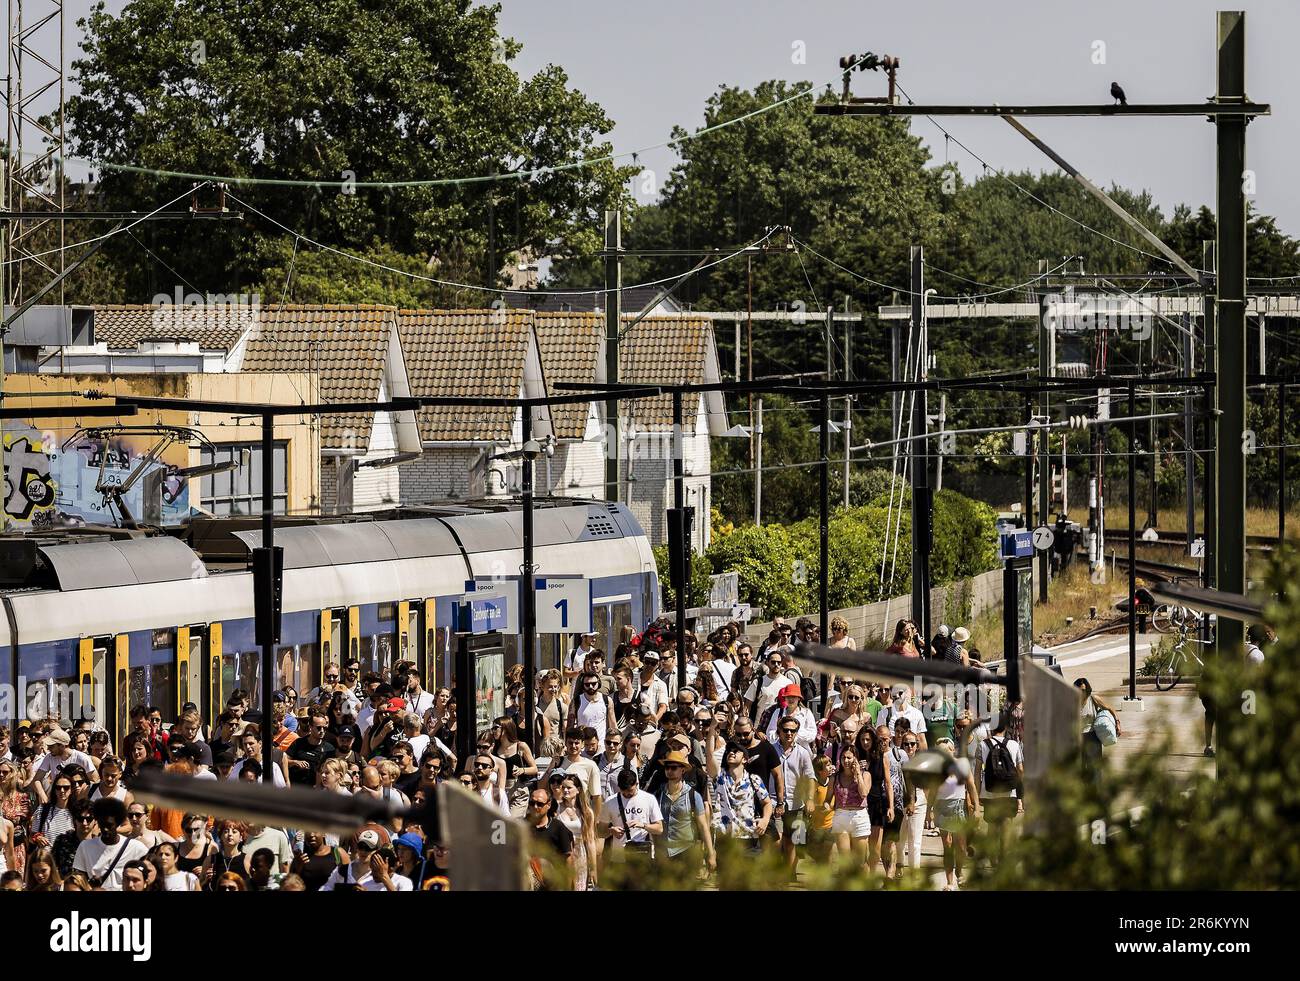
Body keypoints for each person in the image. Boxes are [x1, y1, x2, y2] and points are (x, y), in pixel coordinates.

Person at [706, 724, 772, 853]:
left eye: (736, 751)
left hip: (747, 836)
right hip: (724, 835)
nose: (731, 753)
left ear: (745, 760)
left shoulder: (754, 779)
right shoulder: (719, 777)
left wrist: (765, 820)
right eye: (729, 751)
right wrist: (713, 726)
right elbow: (709, 755)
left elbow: (767, 802)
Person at [652, 750, 714, 876]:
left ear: (683, 770)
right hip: (663, 853)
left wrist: (711, 854)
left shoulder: (693, 795)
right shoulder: (658, 794)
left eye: (674, 767)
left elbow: (703, 827)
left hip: (686, 852)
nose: (669, 770)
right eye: (667, 767)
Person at [933, 737, 980, 891]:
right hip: (941, 806)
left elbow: (972, 786)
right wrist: (928, 811)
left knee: (960, 845)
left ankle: (959, 872)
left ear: (952, 750)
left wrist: (977, 808)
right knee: (947, 846)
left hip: (958, 805)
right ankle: (950, 882)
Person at [977, 713, 1024, 867]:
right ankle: (1004, 855)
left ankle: (992, 856)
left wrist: (977, 793)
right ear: (1005, 727)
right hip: (1009, 791)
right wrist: (1020, 793)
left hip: (989, 792)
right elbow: (1020, 770)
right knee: (1007, 822)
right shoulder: (1014, 744)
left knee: (991, 824)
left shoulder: (982, 745)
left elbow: (977, 771)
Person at [72, 797, 147, 891]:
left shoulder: (137, 848)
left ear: (118, 824)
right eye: (102, 824)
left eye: (109, 825)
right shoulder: (85, 847)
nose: (105, 829)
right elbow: (78, 879)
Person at [773, 715, 815, 878]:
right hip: (776, 801)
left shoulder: (803, 753)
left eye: (793, 731)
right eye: (786, 730)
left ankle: (788, 874)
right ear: (779, 731)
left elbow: (810, 777)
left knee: (794, 841)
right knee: (777, 839)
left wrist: (810, 799)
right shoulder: (771, 749)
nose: (789, 733)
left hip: (797, 802)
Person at [597, 768, 663, 866]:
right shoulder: (610, 802)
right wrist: (611, 831)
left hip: (644, 856)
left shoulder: (649, 799)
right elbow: (600, 832)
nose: (627, 794)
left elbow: (659, 829)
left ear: (636, 784)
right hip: (619, 859)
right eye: (623, 791)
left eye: (630, 790)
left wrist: (643, 825)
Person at [320, 829, 412, 891]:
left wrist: (383, 875)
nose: (363, 851)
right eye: (361, 847)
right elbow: (326, 888)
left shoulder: (381, 876)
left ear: (377, 850)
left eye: (368, 848)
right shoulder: (343, 870)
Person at [542, 730, 603, 813]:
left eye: (577, 743)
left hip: (581, 814)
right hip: (557, 814)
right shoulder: (558, 762)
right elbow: (541, 787)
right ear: (566, 744)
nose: (573, 746)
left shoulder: (590, 766)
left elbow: (596, 796)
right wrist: (550, 768)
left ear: (582, 744)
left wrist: (595, 820)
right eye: (570, 743)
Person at [554, 774, 597, 890]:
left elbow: (590, 841)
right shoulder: (556, 808)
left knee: (579, 886)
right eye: (563, 787)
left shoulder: (587, 812)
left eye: (569, 787)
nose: (565, 790)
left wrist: (593, 868)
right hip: (561, 852)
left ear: (578, 790)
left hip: (579, 852)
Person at [526, 789, 574, 890]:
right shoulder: (522, 826)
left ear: (548, 805)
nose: (535, 807)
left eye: (539, 804)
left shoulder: (558, 827)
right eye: (532, 803)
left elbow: (568, 860)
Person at [830, 746, 871, 864]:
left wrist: (858, 774)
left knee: (860, 862)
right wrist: (826, 806)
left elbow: (864, 793)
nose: (846, 760)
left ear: (855, 759)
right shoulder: (835, 777)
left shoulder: (865, 775)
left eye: (849, 757)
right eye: (843, 757)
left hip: (859, 816)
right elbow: (828, 799)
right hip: (841, 815)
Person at [1075, 677, 1121, 779]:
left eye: (1083, 690)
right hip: (1077, 738)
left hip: (1092, 737)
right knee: (1080, 768)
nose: (1081, 693)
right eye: (1078, 690)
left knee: (1095, 768)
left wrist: (1117, 723)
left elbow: (1110, 709)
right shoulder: (1072, 702)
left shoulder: (1093, 699)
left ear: (1087, 690)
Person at [201, 819, 252, 888]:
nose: (230, 834)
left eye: (234, 832)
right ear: (220, 836)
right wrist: (206, 880)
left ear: (241, 837)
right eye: (226, 831)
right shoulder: (211, 859)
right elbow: (198, 886)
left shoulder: (247, 860)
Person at [574, 671, 619, 745]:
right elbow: (570, 726)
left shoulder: (607, 700)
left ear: (599, 684)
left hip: (601, 746)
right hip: (582, 747)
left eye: (593, 684)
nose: (590, 686)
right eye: (587, 684)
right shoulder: (576, 701)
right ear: (583, 685)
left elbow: (613, 725)